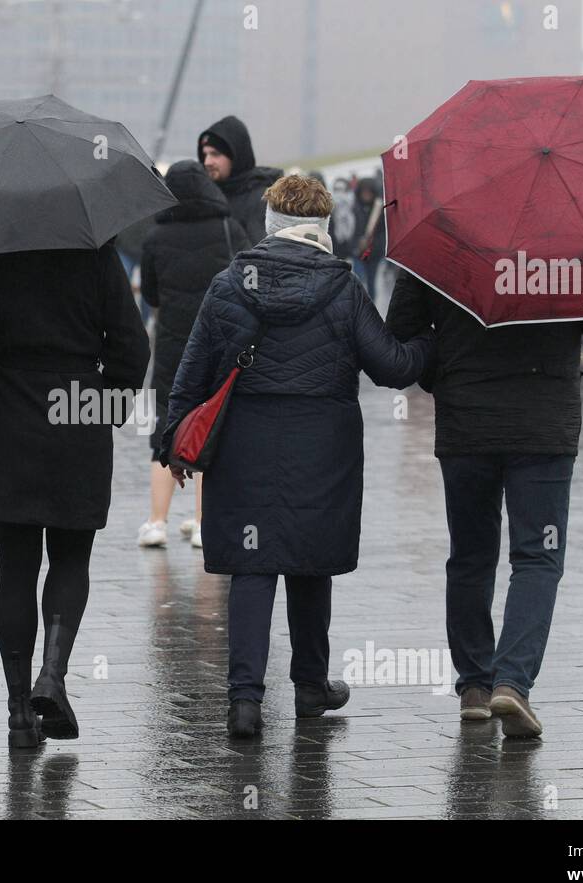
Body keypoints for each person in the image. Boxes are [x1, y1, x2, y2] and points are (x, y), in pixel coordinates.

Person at [159, 175, 433, 738]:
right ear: (322, 226)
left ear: (269, 224)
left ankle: (244, 701)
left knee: (252, 567)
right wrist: (431, 340)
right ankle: (310, 686)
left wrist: (173, 446)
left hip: (244, 443)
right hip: (322, 445)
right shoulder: (343, 287)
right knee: (311, 559)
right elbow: (393, 368)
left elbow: (190, 375)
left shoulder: (230, 283)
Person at [386, 271, 583, 738]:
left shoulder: (440, 236)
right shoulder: (569, 243)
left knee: (470, 557)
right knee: (537, 558)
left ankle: (475, 687)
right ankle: (512, 682)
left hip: (466, 421)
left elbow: (400, 331)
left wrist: (444, 373)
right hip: (544, 423)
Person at [0, 244, 148, 749]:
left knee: (14, 567)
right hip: (78, 411)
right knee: (71, 557)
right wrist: (107, 405)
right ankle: (52, 678)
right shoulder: (96, 253)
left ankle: (18, 714)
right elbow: (131, 346)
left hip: (5, 414)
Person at [137, 161, 248, 550]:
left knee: (166, 425)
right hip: (217, 344)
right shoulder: (228, 229)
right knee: (210, 425)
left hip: (171, 344)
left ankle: (156, 521)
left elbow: (149, 296)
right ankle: (204, 523)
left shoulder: (155, 237)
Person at [197, 116, 283, 245]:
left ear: (235, 156)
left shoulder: (263, 199)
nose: (207, 162)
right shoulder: (204, 197)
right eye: (205, 154)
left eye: (215, 154)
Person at [351, 176, 386, 299]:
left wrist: (371, 243)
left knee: (371, 282)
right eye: (363, 192)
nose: (366, 195)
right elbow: (350, 231)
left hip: (374, 254)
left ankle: (371, 308)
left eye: (368, 192)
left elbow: (383, 233)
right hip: (358, 253)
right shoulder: (354, 209)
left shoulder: (380, 209)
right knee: (358, 282)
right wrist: (357, 244)